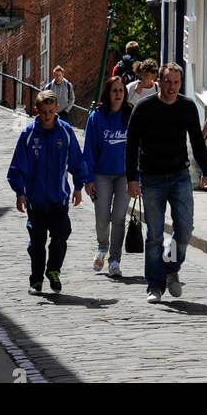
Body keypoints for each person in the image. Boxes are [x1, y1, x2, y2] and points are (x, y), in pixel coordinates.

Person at [125, 62, 207, 303]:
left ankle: (171, 267)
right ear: (159, 82)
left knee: (184, 229)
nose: (172, 87)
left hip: (179, 176)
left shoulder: (186, 107)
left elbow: (196, 139)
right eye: (168, 82)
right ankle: (155, 285)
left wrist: (206, 171)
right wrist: (132, 178)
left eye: (176, 82)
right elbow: (131, 144)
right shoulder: (144, 107)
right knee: (154, 234)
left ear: (180, 84)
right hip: (152, 178)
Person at [7, 89, 87, 294]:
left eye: (51, 112)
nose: (47, 116)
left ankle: (53, 270)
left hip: (58, 198)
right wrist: (20, 192)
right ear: (37, 110)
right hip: (35, 200)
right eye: (43, 112)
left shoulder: (66, 132)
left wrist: (78, 186)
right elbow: (18, 165)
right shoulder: (28, 134)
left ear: (56, 109)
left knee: (61, 233)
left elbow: (76, 161)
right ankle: (36, 280)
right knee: (37, 242)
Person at [83, 77, 131, 278]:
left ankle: (114, 260)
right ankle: (102, 247)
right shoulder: (96, 117)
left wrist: (137, 177)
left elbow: (138, 146)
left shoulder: (130, 114)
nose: (118, 94)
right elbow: (89, 149)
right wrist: (88, 178)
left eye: (121, 90)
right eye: (114, 90)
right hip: (101, 174)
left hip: (125, 175)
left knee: (119, 218)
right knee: (102, 217)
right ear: (108, 93)